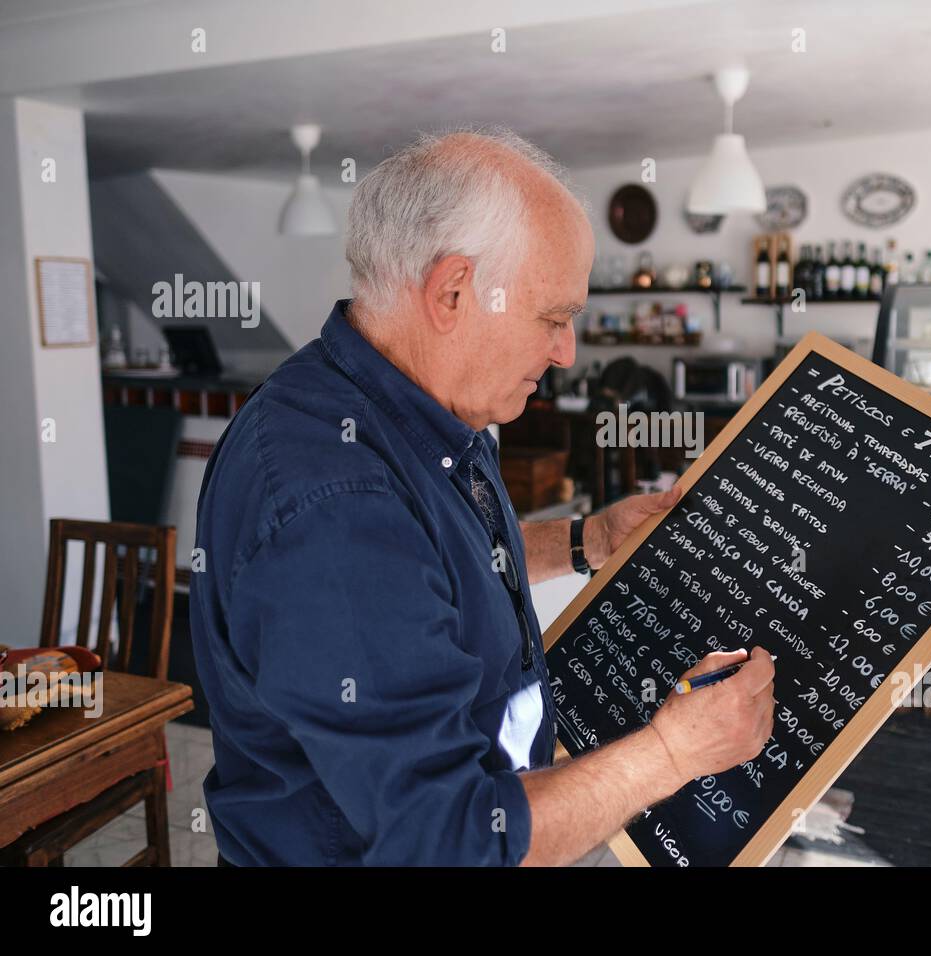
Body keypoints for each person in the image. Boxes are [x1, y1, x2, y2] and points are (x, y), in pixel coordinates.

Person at [189, 128, 775, 866]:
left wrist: (585, 540)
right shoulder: (334, 503)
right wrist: (670, 752)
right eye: (553, 317)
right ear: (453, 291)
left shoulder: (412, 405)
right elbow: (448, 839)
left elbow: (435, 559)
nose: (566, 353)